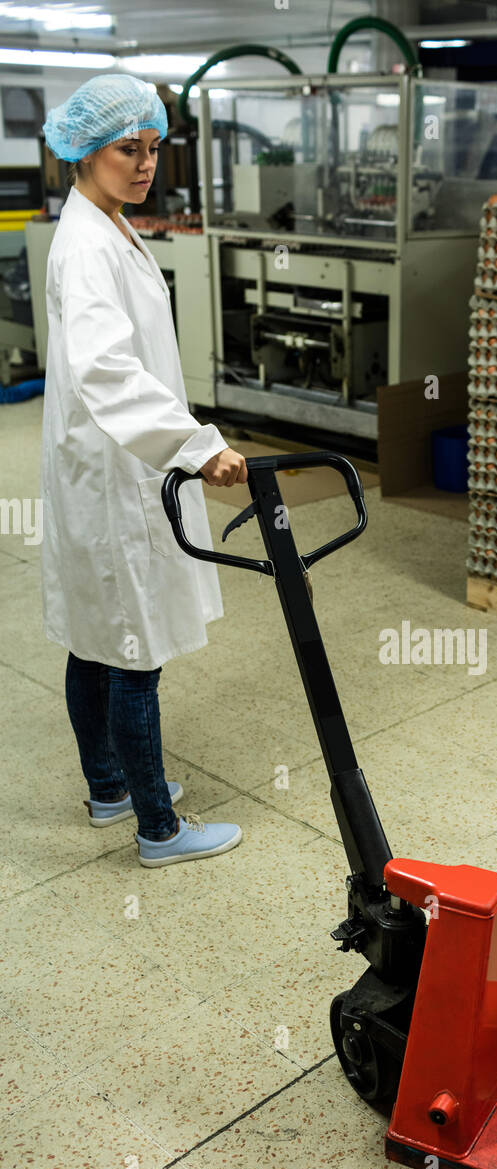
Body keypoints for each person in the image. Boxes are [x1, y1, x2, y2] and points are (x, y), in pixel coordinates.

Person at [41, 73, 245, 867]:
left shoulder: (102, 224)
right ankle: (159, 828)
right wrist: (199, 446)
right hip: (115, 467)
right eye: (129, 148)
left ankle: (107, 787)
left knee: (95, 639)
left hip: (101, 467)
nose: (145, 162)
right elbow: (109, 374)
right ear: (86, 151)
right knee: (133, 651)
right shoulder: (88, 245)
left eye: (154, 147)